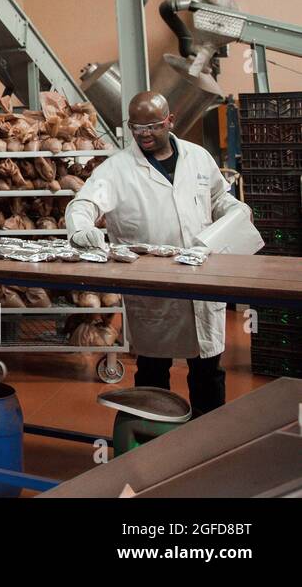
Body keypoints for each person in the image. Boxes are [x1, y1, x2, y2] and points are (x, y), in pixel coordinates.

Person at [64, 91, 250, 416]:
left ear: (170, 121)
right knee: (152, 373)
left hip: (202, 284)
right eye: (137, 128)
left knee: (208, 371)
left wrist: (235, 210)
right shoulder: (117, 169)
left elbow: (219, 198)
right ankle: (153, 447)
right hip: (154, 292)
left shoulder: (198, 158)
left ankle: (210, 441)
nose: (144, 134)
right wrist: (81, 227)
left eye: (152, 126)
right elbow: (84, 203)